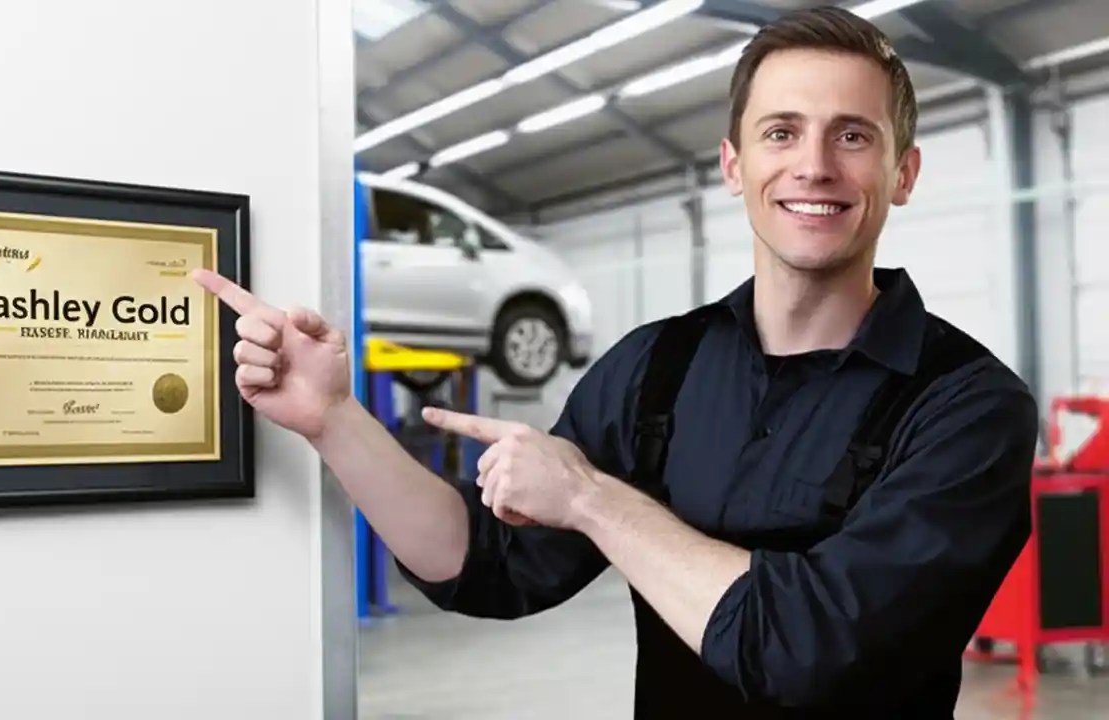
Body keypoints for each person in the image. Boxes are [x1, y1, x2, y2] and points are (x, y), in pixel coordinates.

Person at [192, 5, 1038, 717]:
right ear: (735, 167)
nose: (813, 165)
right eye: (782, 132)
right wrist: (336, 421)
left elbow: (811, 647)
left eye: (853, 136)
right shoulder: (656, 367)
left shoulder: (968, 406)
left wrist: (591, 498)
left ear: (903, 172)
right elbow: (489, 565)